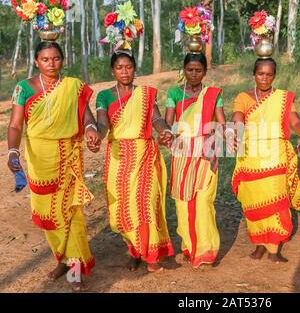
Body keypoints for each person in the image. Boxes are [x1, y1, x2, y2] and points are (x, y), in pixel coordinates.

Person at [7, 41, 99, 291]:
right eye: (45, 59)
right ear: (37, 61)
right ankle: (62, 258)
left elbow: (86, 116)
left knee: (71, 213)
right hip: (39, 159)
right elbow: (16, 125)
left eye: (56, 58)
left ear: (62, 59)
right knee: (46, 214)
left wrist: (91, 129)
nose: (51, 63)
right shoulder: (23, 88)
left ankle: (76, 268)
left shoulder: (73, 87)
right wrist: (12, 151)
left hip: (69, 157)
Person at [96, 51, 174, 273]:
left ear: (134, 69)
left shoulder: (146, 94)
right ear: (113, 71)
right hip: (119, 158)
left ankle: (150, 255)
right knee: (123, 209)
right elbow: (102, 124)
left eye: (128, 67)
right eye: (119, 67)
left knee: (145, 205)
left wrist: (166, 131)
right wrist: (96, 135)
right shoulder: (105, 96)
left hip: (144, 155)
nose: (124, 71)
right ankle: (133, 250)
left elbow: (157, 118)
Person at [231, 57, 300, 262]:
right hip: (251, 156)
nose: (264, 78)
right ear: (254, 74)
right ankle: (259, 244)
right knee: (254, 201)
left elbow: (295, 121)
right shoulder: (243, 97)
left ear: (274, 76)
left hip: (276, 156)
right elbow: (237, 118)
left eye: (269, 74)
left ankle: (274, 249)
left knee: (277, 201)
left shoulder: (283, 98)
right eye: (260, 74)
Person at [165, 53, 226, 268]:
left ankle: (206, 250)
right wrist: (166, 135)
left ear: (205, 72)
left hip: (205, 152)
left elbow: (221, 122)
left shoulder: (212, 95)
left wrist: (223, 138)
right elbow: (168, 123)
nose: (193, 74)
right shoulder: (174, 93)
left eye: (198, 70)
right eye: (189, 70)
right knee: (183, 204)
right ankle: (189, 247)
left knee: (203, 202)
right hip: (182, 153)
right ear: (183, 70)